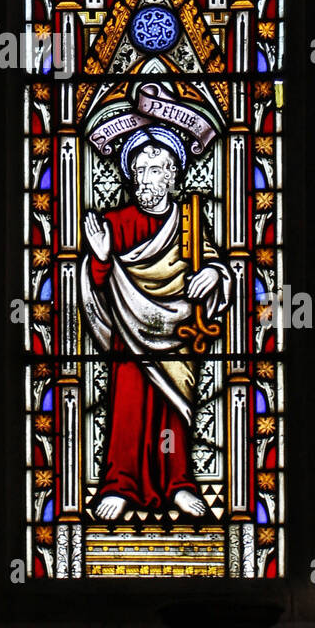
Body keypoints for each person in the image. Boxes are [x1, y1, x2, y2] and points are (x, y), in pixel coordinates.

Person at [80, 127, 231, 521]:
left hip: (179, 332)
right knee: (128, 408)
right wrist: (101, 258)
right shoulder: (116, 222)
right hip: (130, 336)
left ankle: (178, 482)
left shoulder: (188, 220)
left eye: (155, 170)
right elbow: (97, 286)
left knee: (172, 412)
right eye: (140, 171)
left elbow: (211, 262)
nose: (146, 179)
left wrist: (213, 274)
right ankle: (120, 484)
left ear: (171, 175)